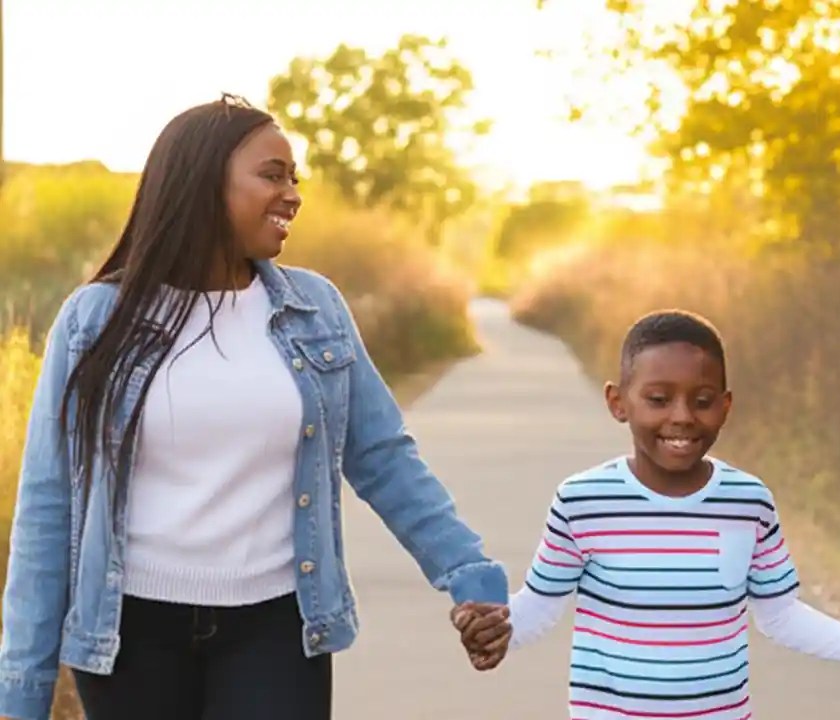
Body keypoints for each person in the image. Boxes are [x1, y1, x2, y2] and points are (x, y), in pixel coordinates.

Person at [0, 94, 509, 720]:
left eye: (294, 178)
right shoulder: (97, 320)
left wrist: (467, 571)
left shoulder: (314, 309)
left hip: (276, 629)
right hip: (130, 636)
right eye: (272, 175)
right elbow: (48, 505)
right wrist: (22, 693)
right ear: (200, 183)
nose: (292, 194)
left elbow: (383, 457)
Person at [450, 310, 840, 718]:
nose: (682, 416)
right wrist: (495, 628)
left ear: (725, 407)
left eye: (702, 401)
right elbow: (541, 606)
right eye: (659, 399)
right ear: (618, 403)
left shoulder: (748, 502)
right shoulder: (582, 501)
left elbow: (779, 614)